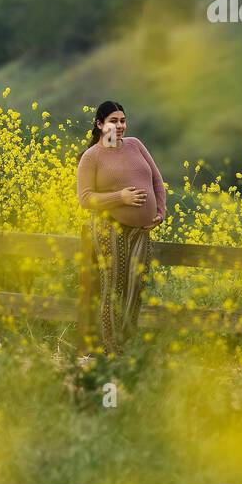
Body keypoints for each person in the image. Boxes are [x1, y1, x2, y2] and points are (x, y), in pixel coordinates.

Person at [76, 101, 166, 355]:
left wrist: (160, 212)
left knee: (136, 286)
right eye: (113, 121)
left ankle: (127, 341)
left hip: (142, 230)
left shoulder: (135, 145)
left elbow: (157, 182)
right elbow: (85, 198)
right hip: (109, 228)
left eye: (123, 120)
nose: (120, 126)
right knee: (113, 285)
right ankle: (111, 347)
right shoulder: (91, 157)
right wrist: (120, 198)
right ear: (99, 124)